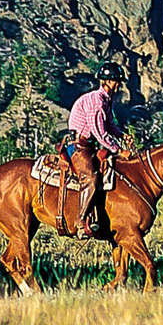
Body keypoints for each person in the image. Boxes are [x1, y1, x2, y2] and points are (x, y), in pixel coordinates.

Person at [66, 63, 132, 237]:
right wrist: (118, 150)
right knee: (91, 178)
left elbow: (109, 125)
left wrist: (122, 135)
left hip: (89, 145)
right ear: (107, 81)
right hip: (79, 146)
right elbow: (99, 132)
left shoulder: (106, 101)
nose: (118, 85)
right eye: (116, 81)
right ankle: (80, 221)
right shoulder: (96, 101)